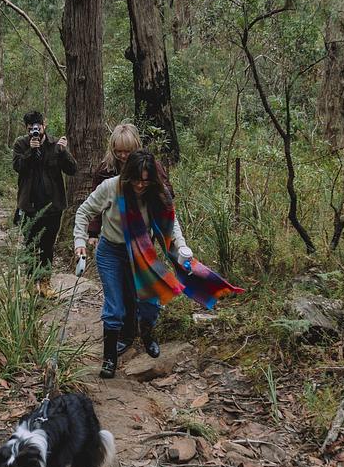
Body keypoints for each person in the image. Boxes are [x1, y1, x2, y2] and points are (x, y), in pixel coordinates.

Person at [74, 150, 242, 378]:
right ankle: (109, 359)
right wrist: (80, 241)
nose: (140, 185)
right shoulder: (112, 187)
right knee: (115, 307)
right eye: (135, 180)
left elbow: (172, 222)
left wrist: (181, 247)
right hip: (111, 253)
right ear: (127, 175)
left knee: (151, 302)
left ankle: (147, 335)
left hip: (142, 253)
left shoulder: (157, 192)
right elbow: (84, 212)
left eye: (145, 180)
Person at [86, 124, 170, 356]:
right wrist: (93, 233)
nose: (122, 155)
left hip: (141, 240)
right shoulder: (105, 170)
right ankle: (125, 335)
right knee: (120, 292)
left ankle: (147, 334)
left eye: (127, 150)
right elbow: (94, 204)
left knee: (142, 289)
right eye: (118, 150)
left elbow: (164, 196)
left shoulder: (152, 167)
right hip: (113, 239)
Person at [12, 110, 77, 297]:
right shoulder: (21, 144)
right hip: (29, 206)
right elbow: (17, 167)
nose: (35, 130)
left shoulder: (55, 144)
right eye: (31, 127)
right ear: (26, 128)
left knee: (47, 246)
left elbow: (72, 170)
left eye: (38, 126)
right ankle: (31, 284)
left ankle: (46, 284)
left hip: (52, 207)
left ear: (44, 125)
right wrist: (31, 152)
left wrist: (63, 152)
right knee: (30, 245)